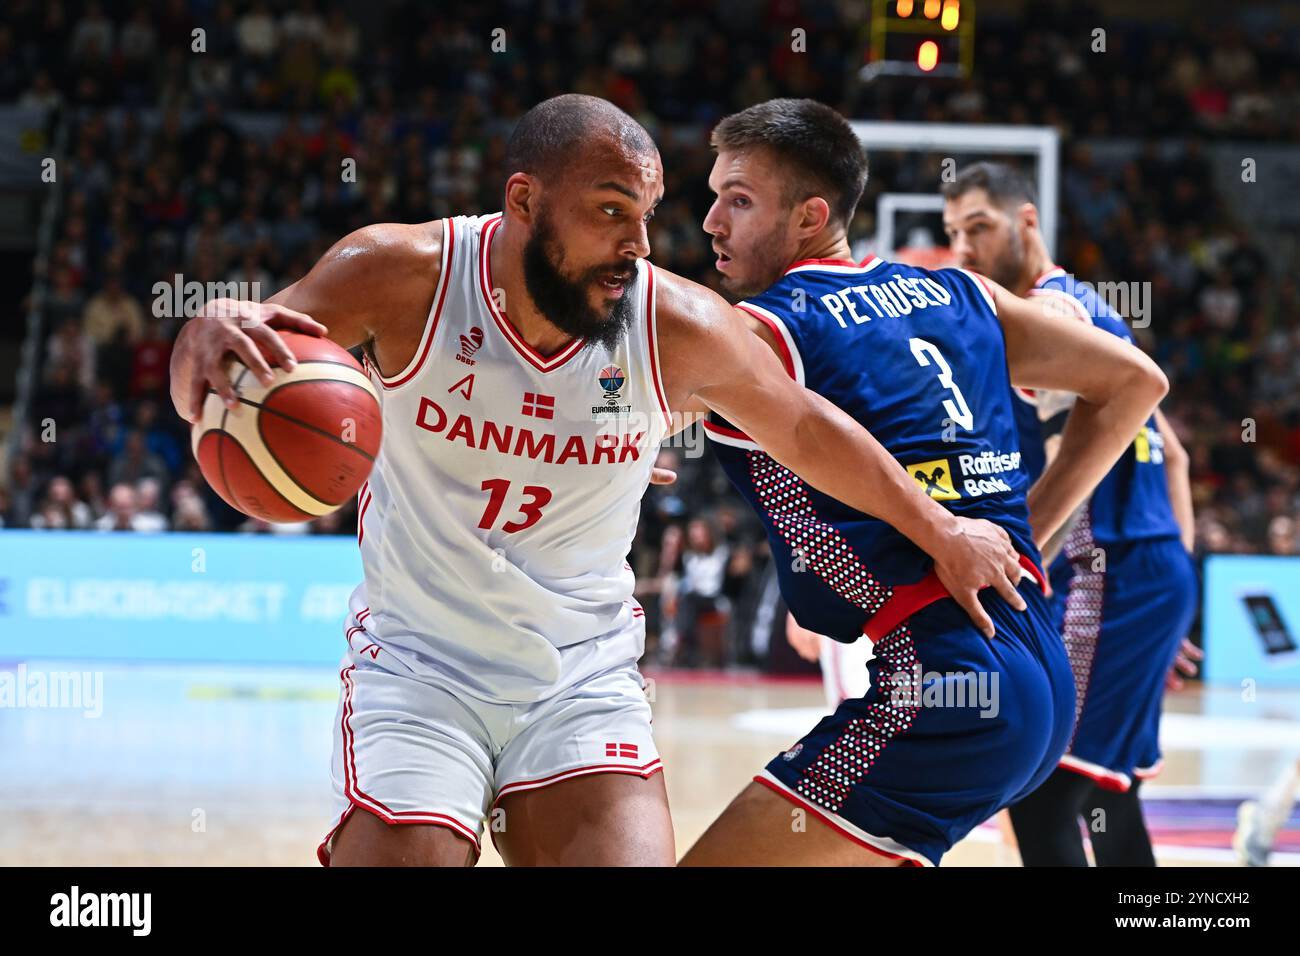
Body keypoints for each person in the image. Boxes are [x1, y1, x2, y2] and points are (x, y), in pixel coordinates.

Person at [169, 94, 1026, 868]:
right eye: (613, 211)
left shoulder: (673, 321)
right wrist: (202, 334)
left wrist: (942, 530)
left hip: (579, 680)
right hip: (421, 667)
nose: (639, 244)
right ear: (523, 201)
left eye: (646, 215)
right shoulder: (398, 272)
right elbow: (223, 373)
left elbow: (804, 426)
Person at [678, 99, 1168, 867]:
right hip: (1036, 671)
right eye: (714, 198)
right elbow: (1137, 382)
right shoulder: (963, 294)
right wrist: (1025, 538)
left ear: (810, 216)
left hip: (944, 680)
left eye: (737, 201)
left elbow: (619, 392)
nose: (711, 222)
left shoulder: (764, 332)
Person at [942, 161, 1198, 866]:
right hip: (1149, 572)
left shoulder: (1053, 316)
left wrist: (1008, 569)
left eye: (978, 227)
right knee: (1110, 794)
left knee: (1042, 786)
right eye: (953, 232)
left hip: (1106, 573)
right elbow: (1175, 457)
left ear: (1027, 221)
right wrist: (1172, 589)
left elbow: (1075, 479)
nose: (962, 249)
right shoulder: (1096, 309)